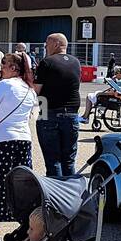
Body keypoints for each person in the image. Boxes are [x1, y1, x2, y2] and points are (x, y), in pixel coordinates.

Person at [0, 50, 36, 221]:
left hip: (3, 136)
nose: (1, 67)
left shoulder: (6, 85)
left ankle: (2, 211)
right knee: (23, 178)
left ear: (13, 68)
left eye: (4, 64)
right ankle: (22, 210)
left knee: (2, 177)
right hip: (24, 137)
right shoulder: (30, 89)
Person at [34, 33, 82, 179]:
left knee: (53, 160)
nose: (45, 47)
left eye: (46, 44)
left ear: (55, 44)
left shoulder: (46, 62)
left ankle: (56, 194)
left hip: (48, 112)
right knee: (69, 160)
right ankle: (70, 193)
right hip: (72, 113)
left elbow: (37, 90)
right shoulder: (76, 62)